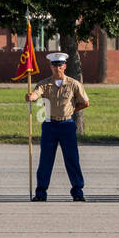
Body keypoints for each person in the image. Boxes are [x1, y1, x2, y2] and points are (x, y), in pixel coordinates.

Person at [26, 52, 89, 202]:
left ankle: (78, 191)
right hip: (49, 125)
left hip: (67, 125)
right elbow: (36, 93)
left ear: (65, 66)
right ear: (50, 67)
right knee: (46, 159)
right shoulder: (44, 83)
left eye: (60, 65)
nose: (57, 68)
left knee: (72, 159)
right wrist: (31, 97)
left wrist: (72, 110)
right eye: (54, 65)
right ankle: (41, 192)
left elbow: (85, 102)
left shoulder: (73, 84)